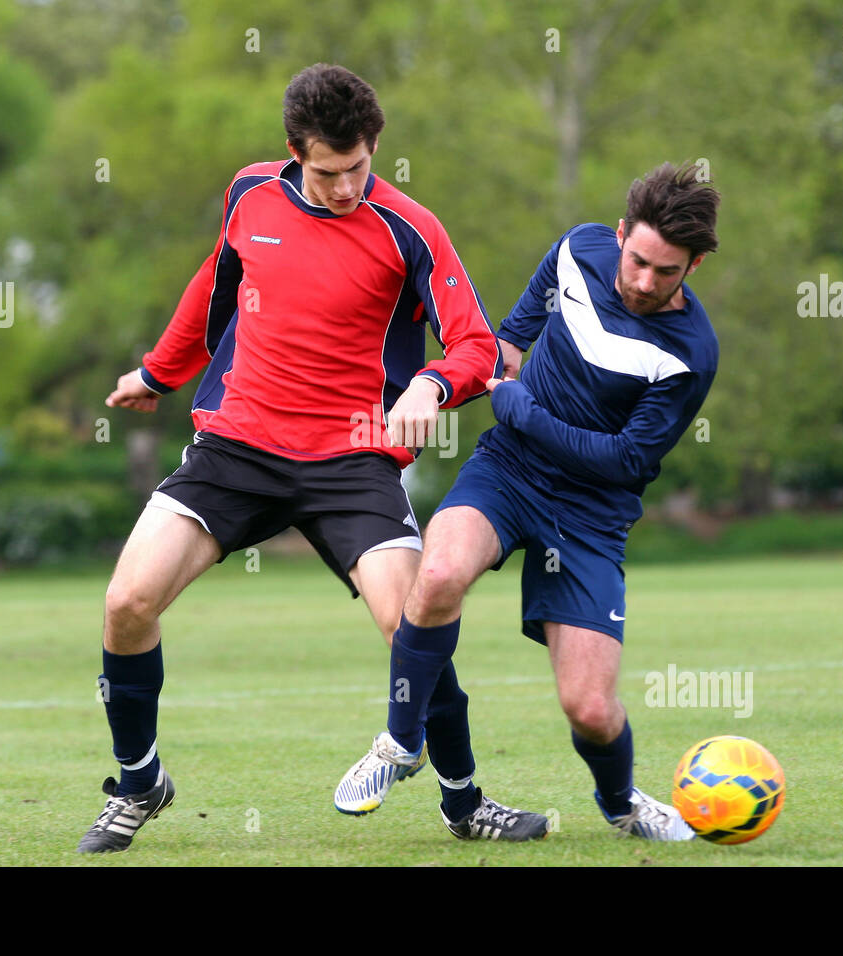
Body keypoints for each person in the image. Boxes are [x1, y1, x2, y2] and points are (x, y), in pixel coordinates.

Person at [78, 63, 545, 853]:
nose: (344, 188)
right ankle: (139, 781)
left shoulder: (411, 229)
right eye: (327, 172)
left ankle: (464, 803)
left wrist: (433, 385)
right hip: (235, 448)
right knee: (127, 605)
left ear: (374, 148)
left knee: (415, 625)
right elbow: (212, 291)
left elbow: (478, 344)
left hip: (352, 461)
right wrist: (158, 371)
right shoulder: (250, 195)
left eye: (358, 168)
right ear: (294, 152)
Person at [334, 161, 721, 841]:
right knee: (441, 574)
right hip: (508, 472)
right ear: (622, 234)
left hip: (591, 516)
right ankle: (401, 741)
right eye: (638, 261)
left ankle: (622, 801)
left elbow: (626, 459)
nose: (643, 282)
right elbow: (507, 342)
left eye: (668, 272)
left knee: (591, 709)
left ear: (693, 267)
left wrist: (519, 410)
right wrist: (474, 381)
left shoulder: (691, 353)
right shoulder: (576, 250)